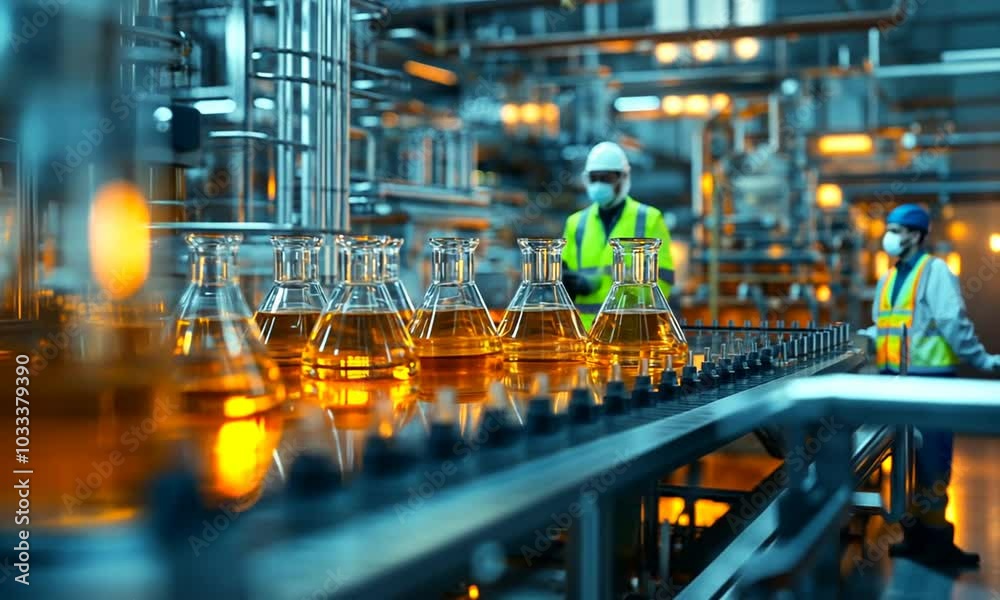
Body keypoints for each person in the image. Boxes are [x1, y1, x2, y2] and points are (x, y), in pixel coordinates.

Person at [869, 203, 1000, 569]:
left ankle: (938, 544)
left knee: (934, 466)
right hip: (895, 384)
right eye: (889, 228)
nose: (890, 236)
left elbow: (953, 324)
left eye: (897, 229)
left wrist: (982, 360)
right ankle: (916, 538)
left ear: (916, 234)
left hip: (932, 384)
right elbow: (884, 327)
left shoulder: (935, 272)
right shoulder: (889, 278)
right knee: (907, 464)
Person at [562, 141, 675, 329]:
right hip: (586, 332)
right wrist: (570, 284)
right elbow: (563, 274)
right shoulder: (575, 223)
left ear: (623, 178)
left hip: (632, 330)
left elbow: (663, 281)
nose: (599, 184)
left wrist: (622, 293)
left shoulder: (649, 219)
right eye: (594, 178)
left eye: (606, 178)